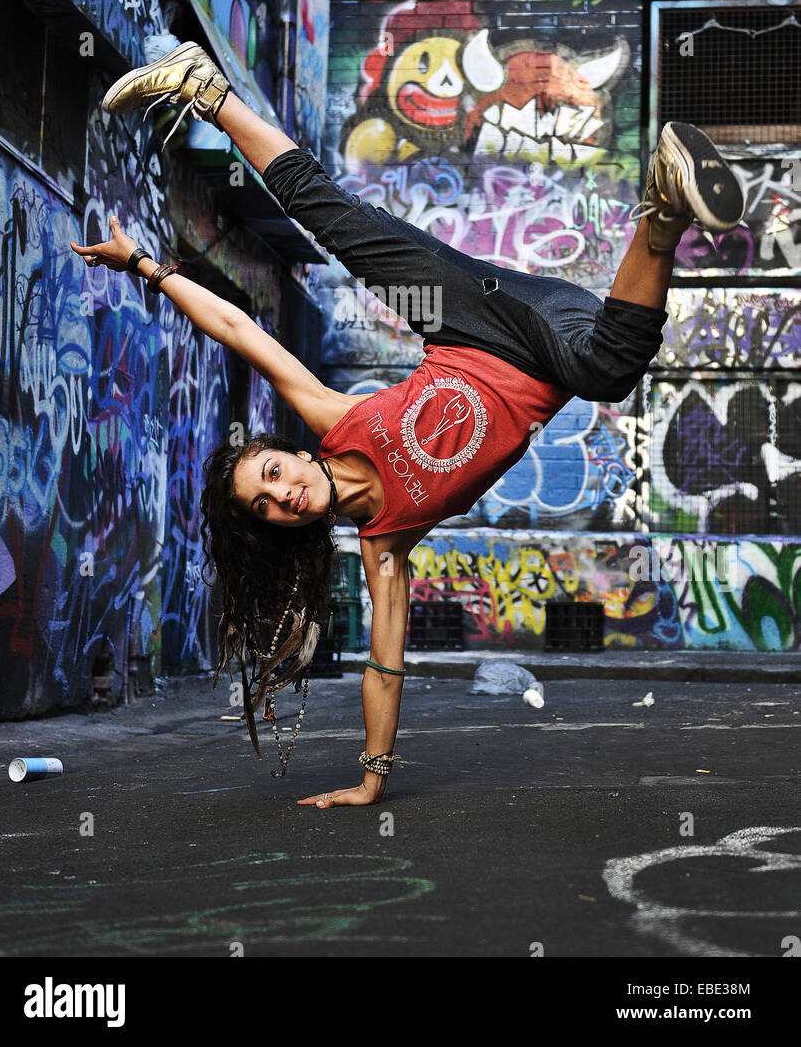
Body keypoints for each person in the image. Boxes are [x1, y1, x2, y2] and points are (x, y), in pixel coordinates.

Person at [70, 42, 745, 810]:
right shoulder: (384, 546)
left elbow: (236, 329)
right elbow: (383, 669)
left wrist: (146, 268)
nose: (283, 495)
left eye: (273, 476)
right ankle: (662, 208)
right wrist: (369, 779)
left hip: (464, 315)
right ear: (281, 528)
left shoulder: (336, 419)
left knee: (336, 221)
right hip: (557, 349)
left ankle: (204, 88)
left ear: (292, 455)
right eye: (267, 506)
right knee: (608, 369)